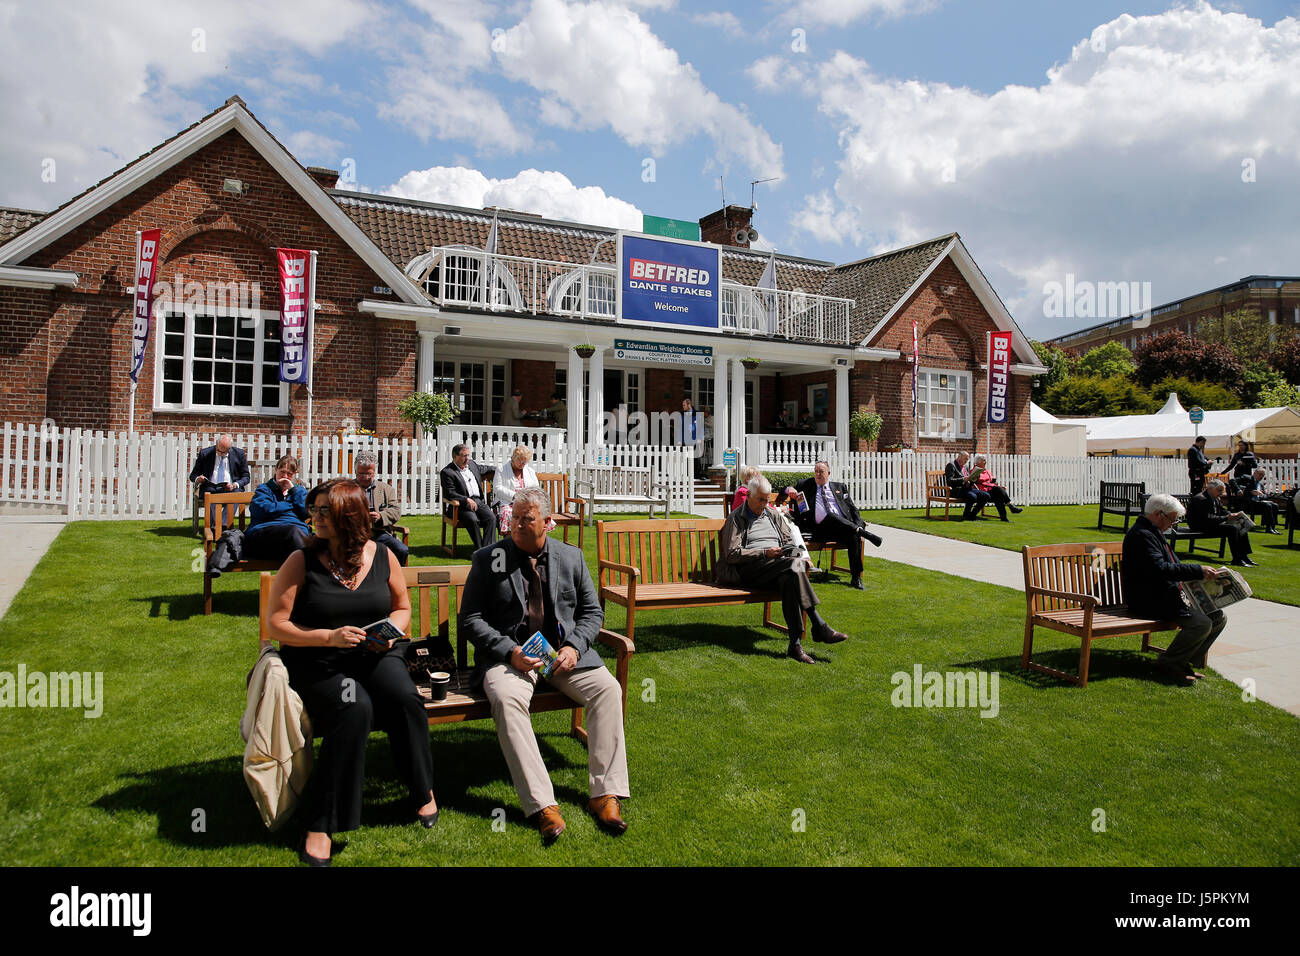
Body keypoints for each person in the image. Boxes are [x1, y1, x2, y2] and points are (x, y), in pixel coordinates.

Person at [264, 479, 437, 866]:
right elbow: (276, 624)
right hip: (319, 661)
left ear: (351, 516)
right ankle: (323, 822)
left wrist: (390, 634)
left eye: (327, 510)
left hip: (376, 654)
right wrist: (329, 636)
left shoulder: (382, 555)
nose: (316, 517)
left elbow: (402, 607)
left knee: (405, 698)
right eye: (315, 509)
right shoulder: (301, 561)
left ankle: (422, 789)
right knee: (354, 707)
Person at [458, 487, 629, 844]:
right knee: (506, 699)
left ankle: (605, 793)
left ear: (548, 523)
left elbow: (592, 612)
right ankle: (542, 804)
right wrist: (509, 651)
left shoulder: (571, 557)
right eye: (513, 518)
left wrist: (573, 648)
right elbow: (471, 618)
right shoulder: (490, 558)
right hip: (512, 659)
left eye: (526, 519)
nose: (516, 525)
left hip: (562, 659)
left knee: (608, 690)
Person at [717, 475, 849, 664]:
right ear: (749, 496)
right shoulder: (737, 517)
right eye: (761, 499)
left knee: (789, 579)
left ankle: (795, 645)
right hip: (749, 569)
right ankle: (819, 625)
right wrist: (764, 553)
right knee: (793, 566)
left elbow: (788, 541)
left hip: (777, 567)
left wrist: (794, 554)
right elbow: (732, 553)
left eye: (767, 499)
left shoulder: (772, 515)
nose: (765, 504)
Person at [1122, 493, 1229, 685]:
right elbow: (1160, 569)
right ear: (1157, 514)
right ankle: (1169, 664)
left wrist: (1197, 577)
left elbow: (1168, 566)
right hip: (1148, 599)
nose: (1173, 524)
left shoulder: (1152, 532)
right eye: (1172, 519)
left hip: (1162, 595)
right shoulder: (1142, 535)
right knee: (1201, 623)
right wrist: (1197, 570)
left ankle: (1182, 662)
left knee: (1218, 617)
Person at [789, 460, 882, 590]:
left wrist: (859, 523)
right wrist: (790, 489)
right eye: (816, 471)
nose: (818, 474)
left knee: (853, 538)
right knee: (831, 515)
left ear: (829, 473)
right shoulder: (806, 485)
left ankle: (856, 578)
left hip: (839, 530)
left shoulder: (840, 487)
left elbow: (853, 508)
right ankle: (863, 533)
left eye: (821, 471)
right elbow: (785, 490)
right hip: (818, 530)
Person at [244, 455, 311, 563]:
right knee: (294, 533)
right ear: (276, 470)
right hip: (264, 536)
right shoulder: (264, 489)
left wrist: (293, 491)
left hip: (292, 540)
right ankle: (312, 574)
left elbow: (306, 512)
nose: (284, 476)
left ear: (294, 475)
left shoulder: (299, 491)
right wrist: (290, 504)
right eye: (282, 472)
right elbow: (265, 510)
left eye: (289, 474)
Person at [353, 449, 408, 565]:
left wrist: (380, 516)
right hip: (353, 534)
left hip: (379, 534)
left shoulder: (386, 489)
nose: (365, 477)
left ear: (375, 472)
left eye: (369, 474)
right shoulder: (346, 489)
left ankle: (393, 579)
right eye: (361, 474)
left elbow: (396, 511)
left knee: (402, 550)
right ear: (355, 470)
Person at [1187, 478, 1256, 567]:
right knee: (1232, 529)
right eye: (1219, 491)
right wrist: (1226, 518)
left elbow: (1223, 510)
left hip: (1210, 524)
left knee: (1240, 526)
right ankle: (1237, 558)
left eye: (1222, 491)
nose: (1221, 493)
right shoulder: (1201, 499)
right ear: (1210, 489)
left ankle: (1244, 556)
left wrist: (1232, 514)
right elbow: (1207, 517)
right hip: (1200, 525)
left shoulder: (1215, 498)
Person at [440, 444, 495, 551]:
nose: (467, 459)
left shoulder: (472, 465)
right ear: (454, 457)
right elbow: (449, 493)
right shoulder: (447, 472)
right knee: (472, 519)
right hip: (460, 507)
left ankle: (488, 550)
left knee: (491, 518)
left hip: (478, 502)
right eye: (463, 456)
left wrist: (502, 469)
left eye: (468, 455)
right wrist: (465, 499)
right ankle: (480, 550)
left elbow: (485, 468)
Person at [189, 433, 251, 527]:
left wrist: (235, 484)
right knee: (210, 496)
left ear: (230, 448)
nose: (221, 454)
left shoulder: (239, 454)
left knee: (236, 495)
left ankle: (220, 526)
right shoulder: (205, 453)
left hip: (231, 488)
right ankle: (220, 527)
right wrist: (199, 479)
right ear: (216, 444)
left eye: (224, 452)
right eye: (218, 450)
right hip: (211, 487)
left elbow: (246, 476)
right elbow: (193, 475)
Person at [493, 445, 544, 534]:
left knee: (535, 513)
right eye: (520, 461)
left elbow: (536, 488)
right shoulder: (501, 470)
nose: (523, 464)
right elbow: (497, 488)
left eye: (525, 462)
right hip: (507, 502)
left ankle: (529, 542)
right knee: (508, 513)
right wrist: (514, 496)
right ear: (513, 458)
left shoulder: (530, 471)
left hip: (526, 503)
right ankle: (510, 542)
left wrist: (529, 497)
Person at [967, 453, 1024, 521]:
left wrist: (996, 485)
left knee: (999, 497)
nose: (986, 462)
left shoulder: (987, 471)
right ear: (978, 462)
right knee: (998, 490)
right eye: (984, 460)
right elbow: (974, 481)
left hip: (990, 489)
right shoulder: (974, 471)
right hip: (982, 491)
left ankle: (1004, 518)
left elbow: (991, 480)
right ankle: (1010, 506)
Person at [945, 451, 991, 520]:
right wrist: (963, 479)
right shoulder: (951, 465)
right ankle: (966, 515)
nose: (966, 461)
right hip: (957, 490)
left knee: (986, 496)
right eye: (965, 459)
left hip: (967, 488)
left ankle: (972, 514)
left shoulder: (965, 466)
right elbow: (949, 481)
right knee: (972, 496)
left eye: (967, 459)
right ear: (959, 456)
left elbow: (969, 479)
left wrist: (974, 478)